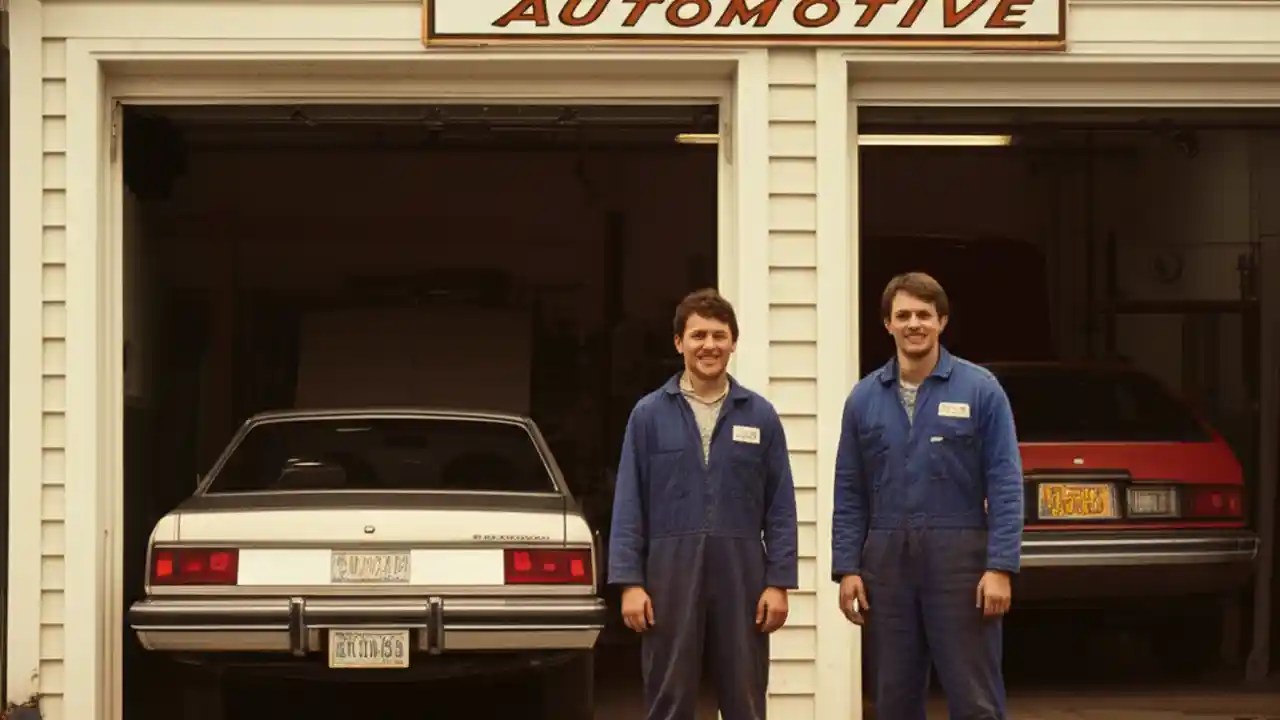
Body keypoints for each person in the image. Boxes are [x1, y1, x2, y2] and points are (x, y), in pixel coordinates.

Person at [830, 272, 1024, 720]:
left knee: (974, 697)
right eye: (903, 315)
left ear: (942, 321)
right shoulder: (863, 399)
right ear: (887, 324)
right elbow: (850, 490)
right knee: (894, 698)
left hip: (960, 561)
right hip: (886, 566)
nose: (914, 324)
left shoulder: (981, 390)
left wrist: (1000, 566)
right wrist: (848, 568)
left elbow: (1005, 482)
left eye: (923, 314)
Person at [608, 288, 799, 720]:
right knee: (669, 693)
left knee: (744, 694)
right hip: (669, 571)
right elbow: (629, 503)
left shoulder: (760, 415)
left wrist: (778, 582)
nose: (708, 345)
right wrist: (629, 583)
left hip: (742, 571)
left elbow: (781, 506)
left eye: (718, 335)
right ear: (679, 343)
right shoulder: (648, 416)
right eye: (698, 336)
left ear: (733, 343)